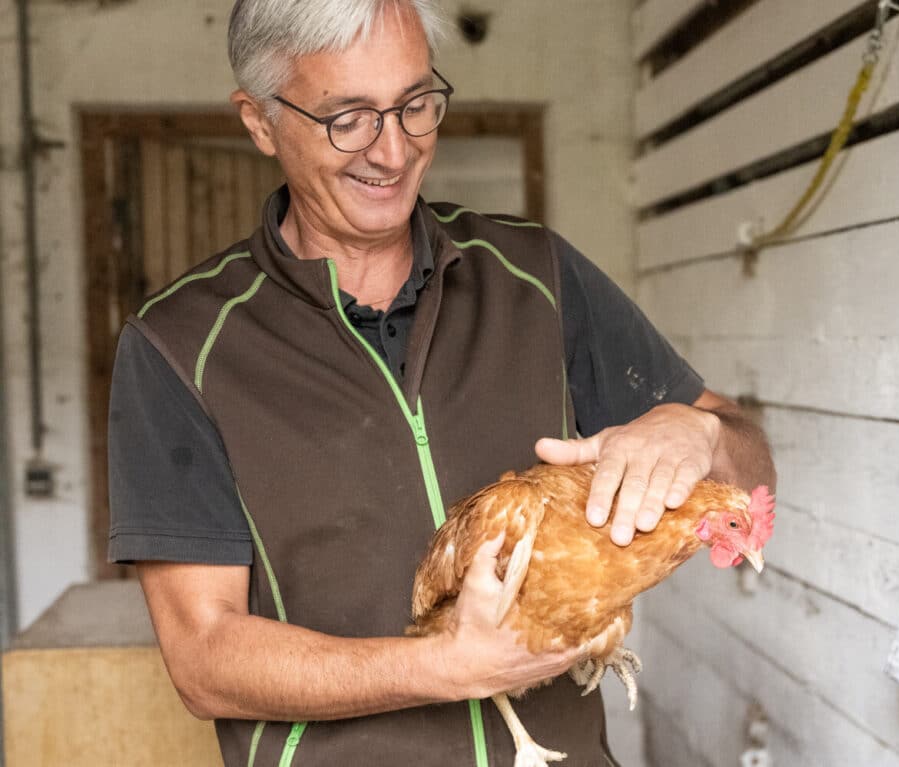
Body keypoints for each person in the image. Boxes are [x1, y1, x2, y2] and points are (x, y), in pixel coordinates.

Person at [107, 1, 776, 765]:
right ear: (259, 122)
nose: (394, 151)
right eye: (348, 118)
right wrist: (443, 667)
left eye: (416, 104)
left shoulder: (538, 278)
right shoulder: (181, 345)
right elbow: (204, 660)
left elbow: (751, 465)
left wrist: (704, 431)